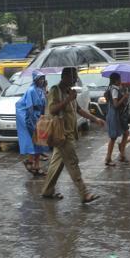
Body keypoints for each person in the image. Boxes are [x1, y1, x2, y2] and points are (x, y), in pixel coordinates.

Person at [41, 67, 105, 203]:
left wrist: (95, 119)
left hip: (68, 134)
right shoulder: (55, 90)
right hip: (61, 134)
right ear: (65, 77)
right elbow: (52, 110)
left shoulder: (70, 92)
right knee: (72, 162)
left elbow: (79, 110)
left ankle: (47, 190)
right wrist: (67, 99)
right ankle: (84, 193)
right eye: (73, 77)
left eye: (75, 77)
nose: (76, 79)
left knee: (56, 164)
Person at [16, 71, 49, 176]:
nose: (42, 80)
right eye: (40, 79)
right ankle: (31, 162)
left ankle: (35, 165)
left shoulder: (41, 90)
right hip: (33, 118)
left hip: (39, 117)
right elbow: (29, 107)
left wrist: (43, 118)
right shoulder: (31, 91)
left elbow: (44, 105)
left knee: (39, 142)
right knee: (35, 141)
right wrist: (33, 122)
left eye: (43, 78)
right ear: (36, 80)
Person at [104, 72, 130, 166]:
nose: (121, 81)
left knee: (126, 133)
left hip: (118, 115)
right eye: (119, 79)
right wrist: (124, 97)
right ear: (116, 80)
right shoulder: (114, 89)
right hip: (114, 114)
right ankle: (108, 158)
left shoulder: (113, 88)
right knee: (113, 137)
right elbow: (115, 105)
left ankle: (122, 155)